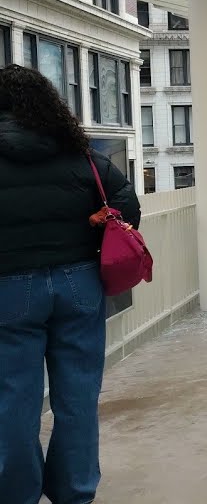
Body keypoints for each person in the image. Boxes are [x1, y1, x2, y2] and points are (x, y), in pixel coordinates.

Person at [0, 64, 142, 504]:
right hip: (79, 284)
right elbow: (127, 212)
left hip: (8, 291)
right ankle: (74, 491)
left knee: (13, 402)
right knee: (78, 397)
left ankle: (17, 493)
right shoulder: (86, 159)